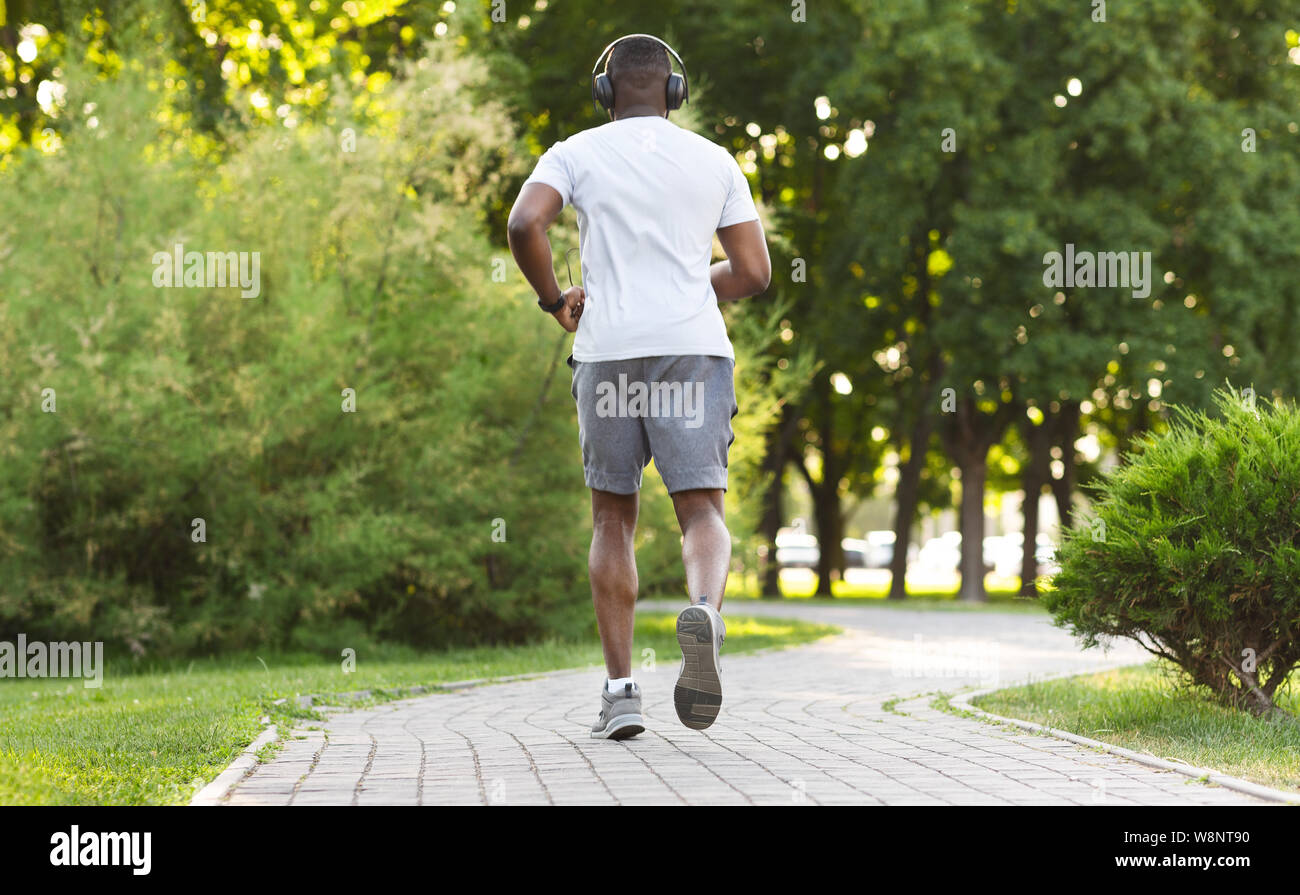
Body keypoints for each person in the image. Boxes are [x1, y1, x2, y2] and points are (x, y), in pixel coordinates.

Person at [506, 34, 771, 738]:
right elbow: (752, 273)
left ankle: (621, 692)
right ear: (674, 90)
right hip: (691, 350)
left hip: (608, 354)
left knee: (612, 518)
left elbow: (525, 221)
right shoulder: (714, 160)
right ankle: (705, 615)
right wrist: (695, 280)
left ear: (606, 91)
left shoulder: (575, 153)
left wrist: (553, 298)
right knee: (701, 512)